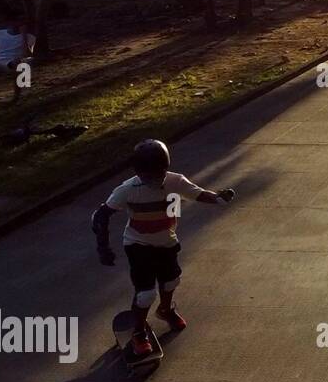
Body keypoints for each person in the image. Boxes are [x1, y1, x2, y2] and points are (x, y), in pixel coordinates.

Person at [92, 140, 235, 356]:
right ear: (138, 172)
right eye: (147, 176)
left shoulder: (175, 181)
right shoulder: (128, 189)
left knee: (171, 281)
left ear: (165, 168)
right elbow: (100, 215)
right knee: (145, 294)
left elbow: (198, 193)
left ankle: (165, 310)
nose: (153, 180)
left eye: (158, 174)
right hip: (138, 243)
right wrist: (102, 247)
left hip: (166, 240)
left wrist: (218, 198)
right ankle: (139, 332)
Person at [0, 13, 35, 110]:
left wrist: (23, 36)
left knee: (23, 64)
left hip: (14, 63)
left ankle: (18, 97)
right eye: (18, 21)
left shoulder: (29, 37)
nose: (21, 24)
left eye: (23, 22)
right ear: (12, 22)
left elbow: (28, 54)